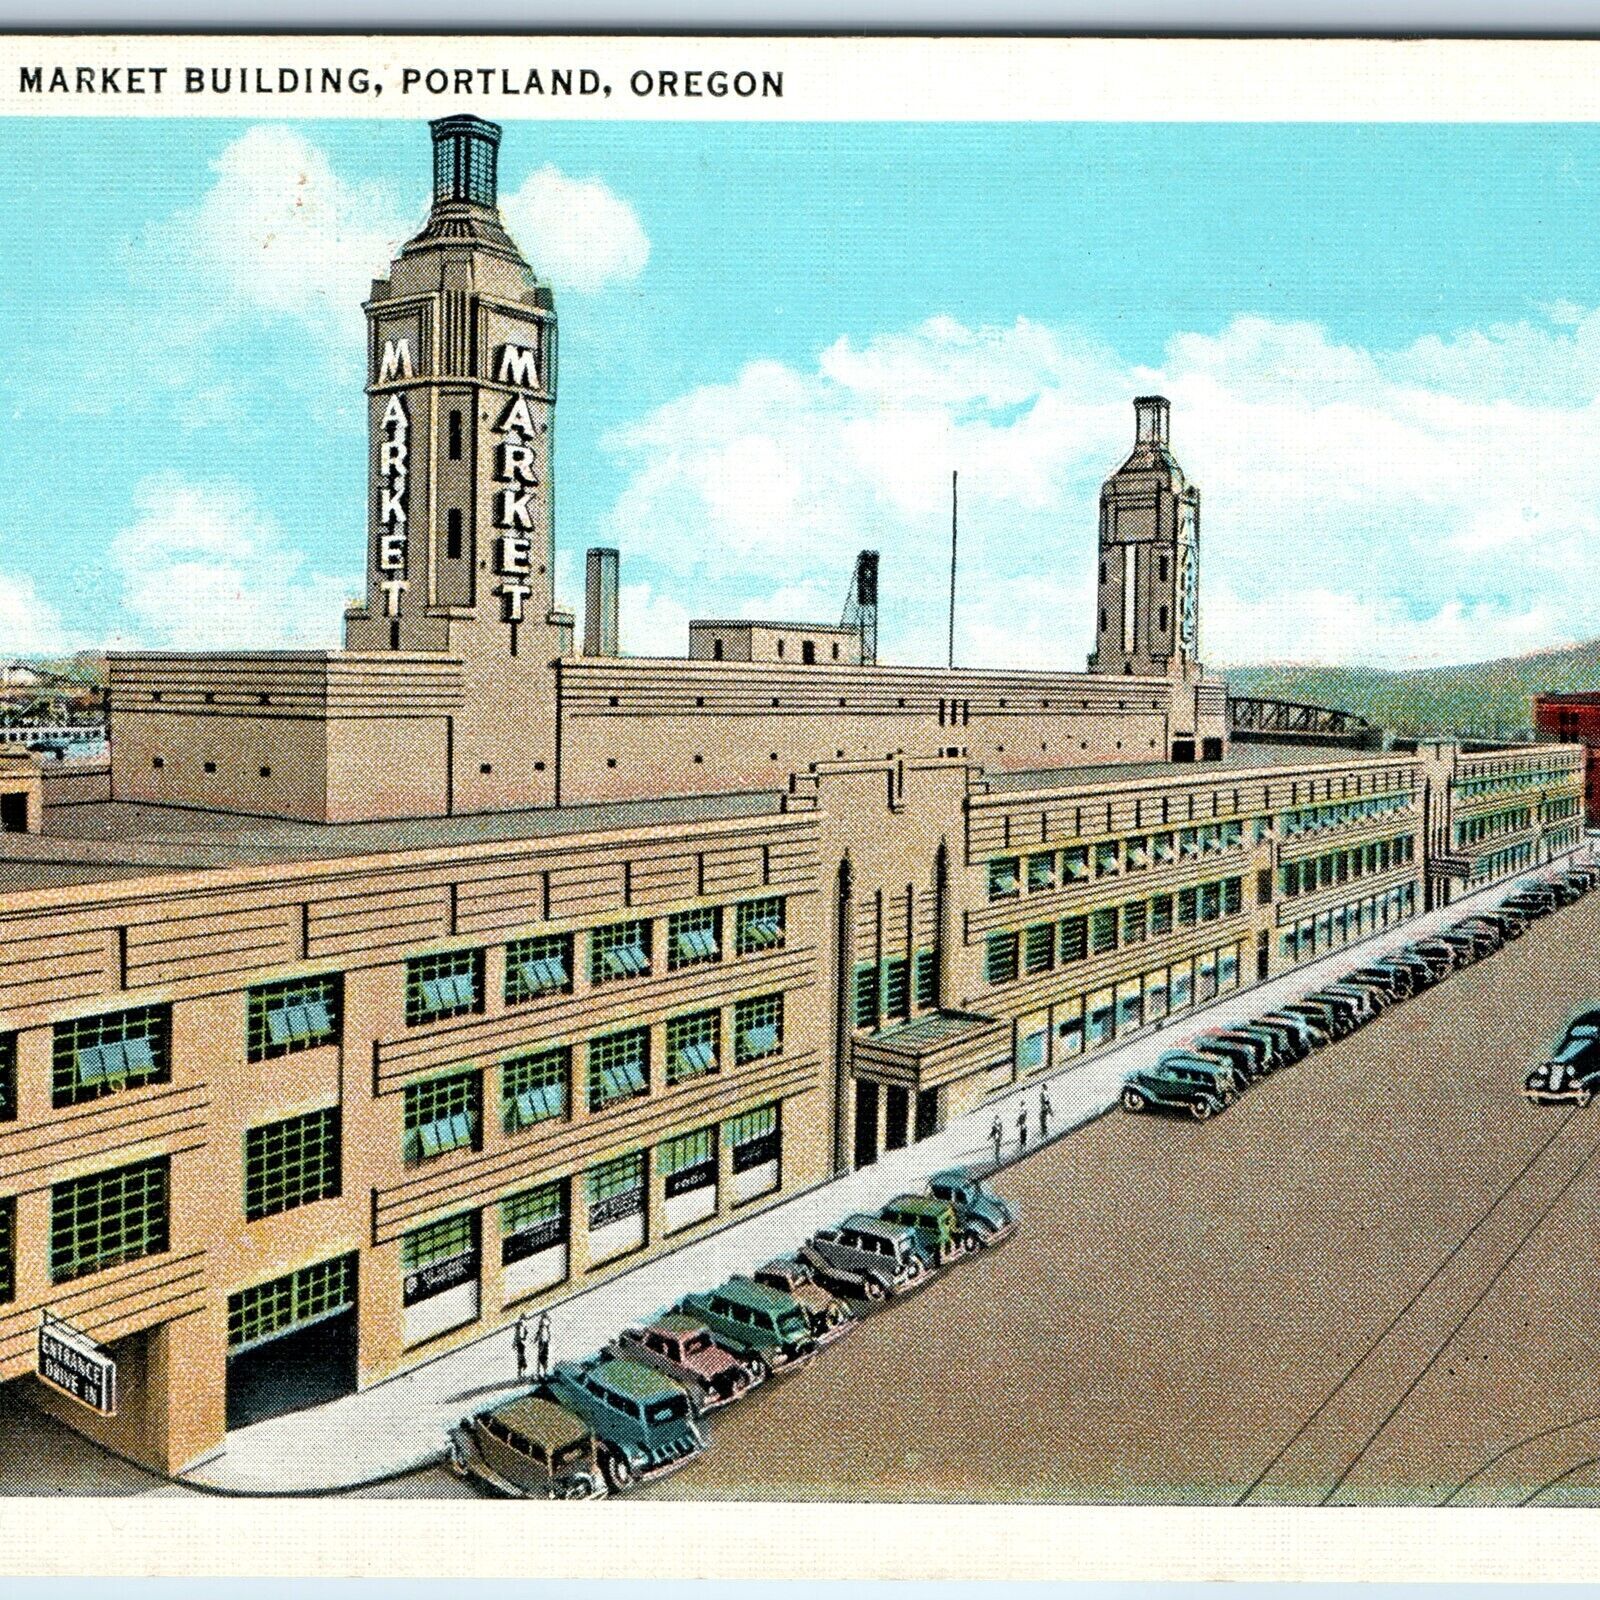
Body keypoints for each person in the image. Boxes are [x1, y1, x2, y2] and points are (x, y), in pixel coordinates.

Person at [513, 1311, 531, 1380]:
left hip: (520, 1344)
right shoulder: (520, 1326)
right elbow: (519, 1336)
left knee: (521, 1357)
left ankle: (520, 1374)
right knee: (521, 1358)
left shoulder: (520, 1326)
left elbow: (518, 1336)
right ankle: (521, 1373)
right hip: (520, 1344)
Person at [535, 1310, 552, 1378]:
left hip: (542, 1341)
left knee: (541, 1357)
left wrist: (536, 1338)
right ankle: (544, 1372)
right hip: (544, 1341)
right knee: (544, 1357)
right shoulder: (546, 1322)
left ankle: (540, 1372)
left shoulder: (543, 1322)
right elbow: (540, 1331)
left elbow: (539, 1331)